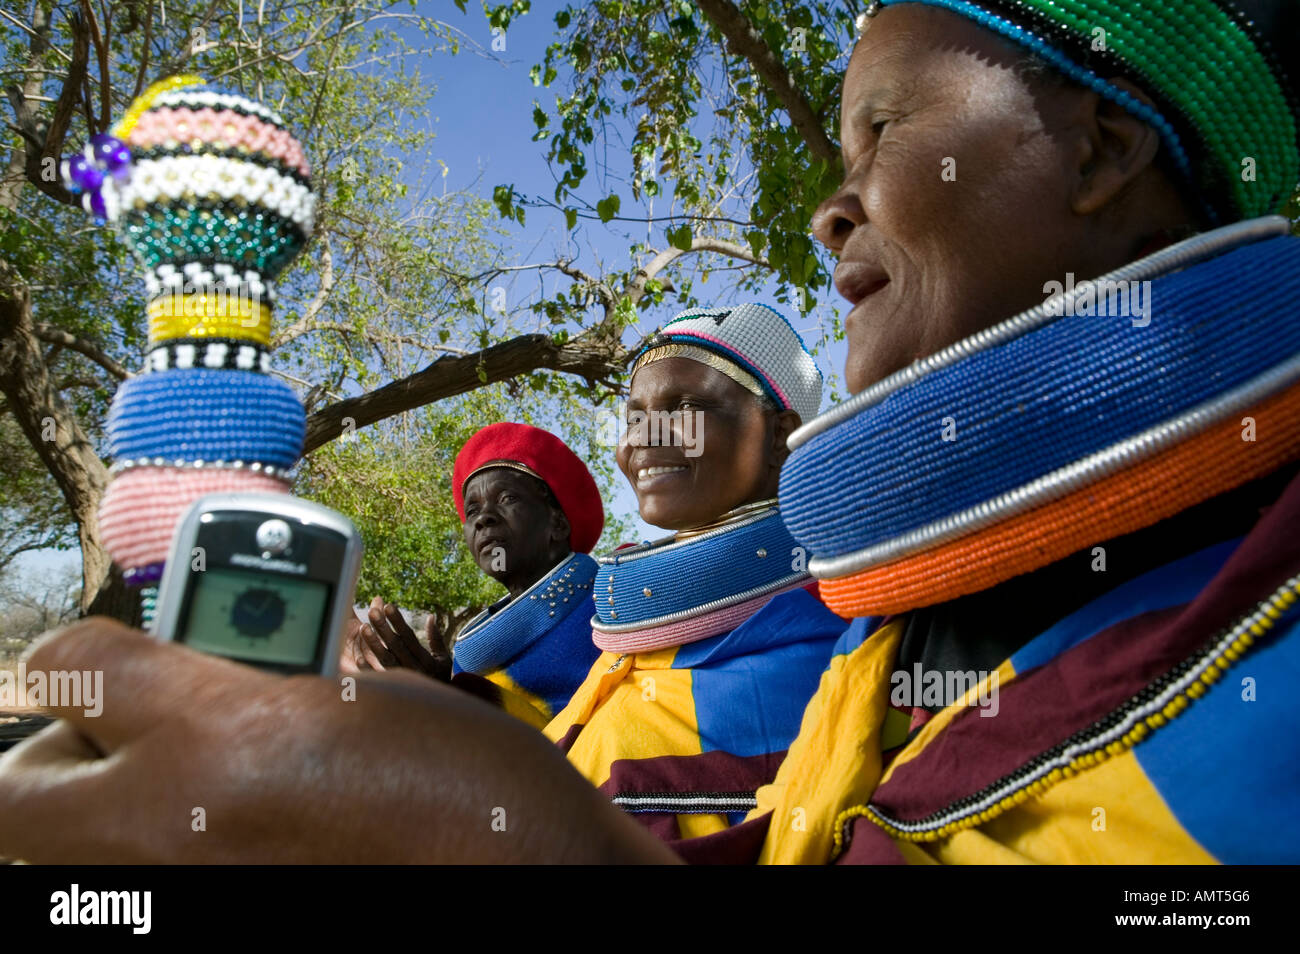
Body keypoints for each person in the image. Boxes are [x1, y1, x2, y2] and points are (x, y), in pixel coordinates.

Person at [1, 0, 1298, 865]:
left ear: (1100, 149)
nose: (829, 213)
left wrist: (504, 831)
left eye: (883, 131)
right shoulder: (889, 652)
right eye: (632, 406)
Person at [543, 303, 847, 840]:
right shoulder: (623, 648)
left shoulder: (835, 651)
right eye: (633, 417)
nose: (643, 437)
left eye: (684, 406)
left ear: (778, 436)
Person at [345, 422, 606, 728]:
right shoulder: (467, 660)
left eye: (507, 498)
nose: (483, 518)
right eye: (472, 511)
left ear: (558, 524)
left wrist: (452, 699)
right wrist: (441, 692)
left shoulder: (609, 608)